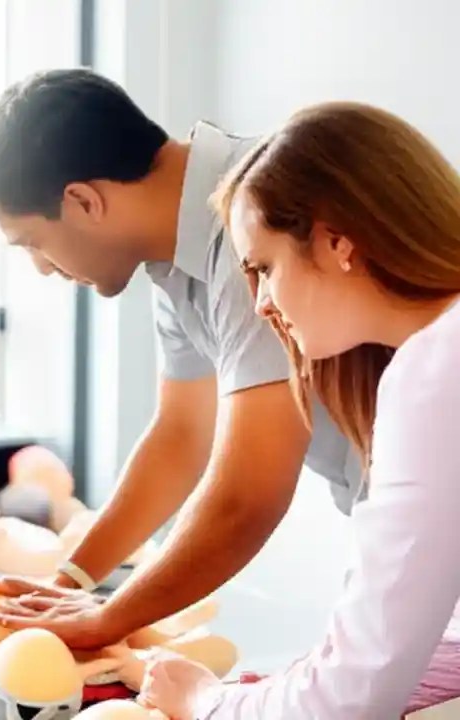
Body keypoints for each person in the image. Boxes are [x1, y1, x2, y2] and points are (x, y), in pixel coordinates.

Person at [0, 68, 361, 648]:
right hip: (402, 517)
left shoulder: (252, 221)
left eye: (31, 244)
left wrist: (108, 616)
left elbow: (248, 495)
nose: (42, 269)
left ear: (82, 200)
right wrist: (71, 580)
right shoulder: (170, 255)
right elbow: (181, 435)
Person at [138, 102, 460, 719]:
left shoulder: (433, 376)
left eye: (263, 268)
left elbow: (352, 697)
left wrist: (208, 701)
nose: (259, 304)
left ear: (337, 241)